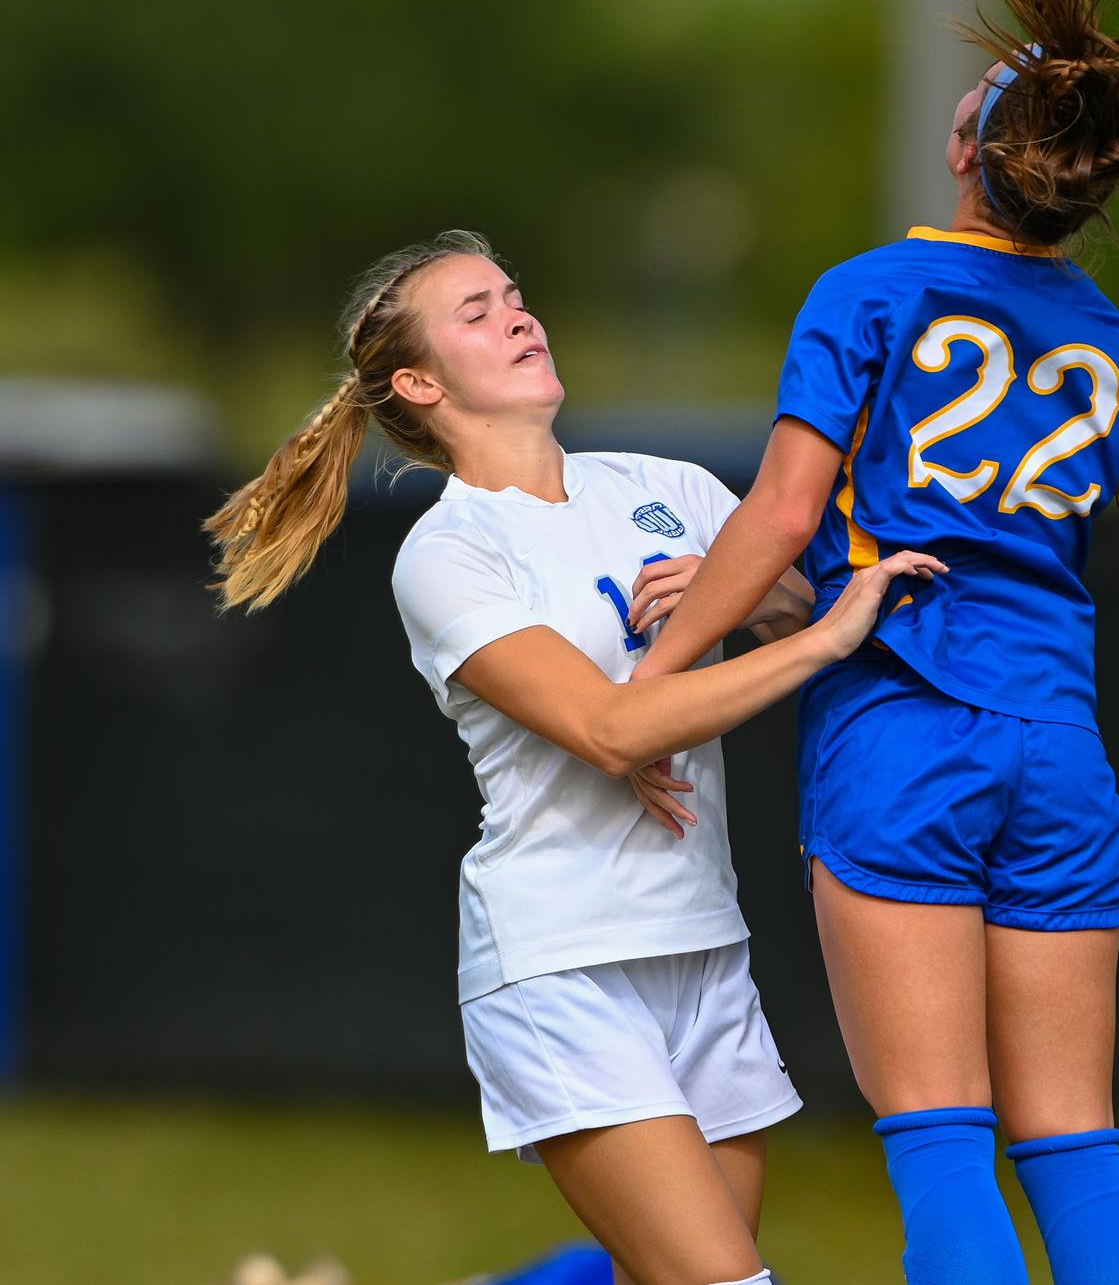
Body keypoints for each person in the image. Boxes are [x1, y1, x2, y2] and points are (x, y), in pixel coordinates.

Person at [624, 0, 1119, 1281]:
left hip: (904, 728)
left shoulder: (868, 293)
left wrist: (656, 686)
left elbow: (780, 511)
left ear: (966, 149)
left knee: (939, 1139)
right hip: (1060, 753)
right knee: (1075, 1143)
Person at [204, 231, 942, 1285]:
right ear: (419, 383)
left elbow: (794, 614)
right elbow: (610, 729)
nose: (517, 315)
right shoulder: (449, 550)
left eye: (514, 296)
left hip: (703, 941)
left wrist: (764, 598)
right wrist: (818, 640)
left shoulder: (667, 485)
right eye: (475, 312)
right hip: (563, 962)